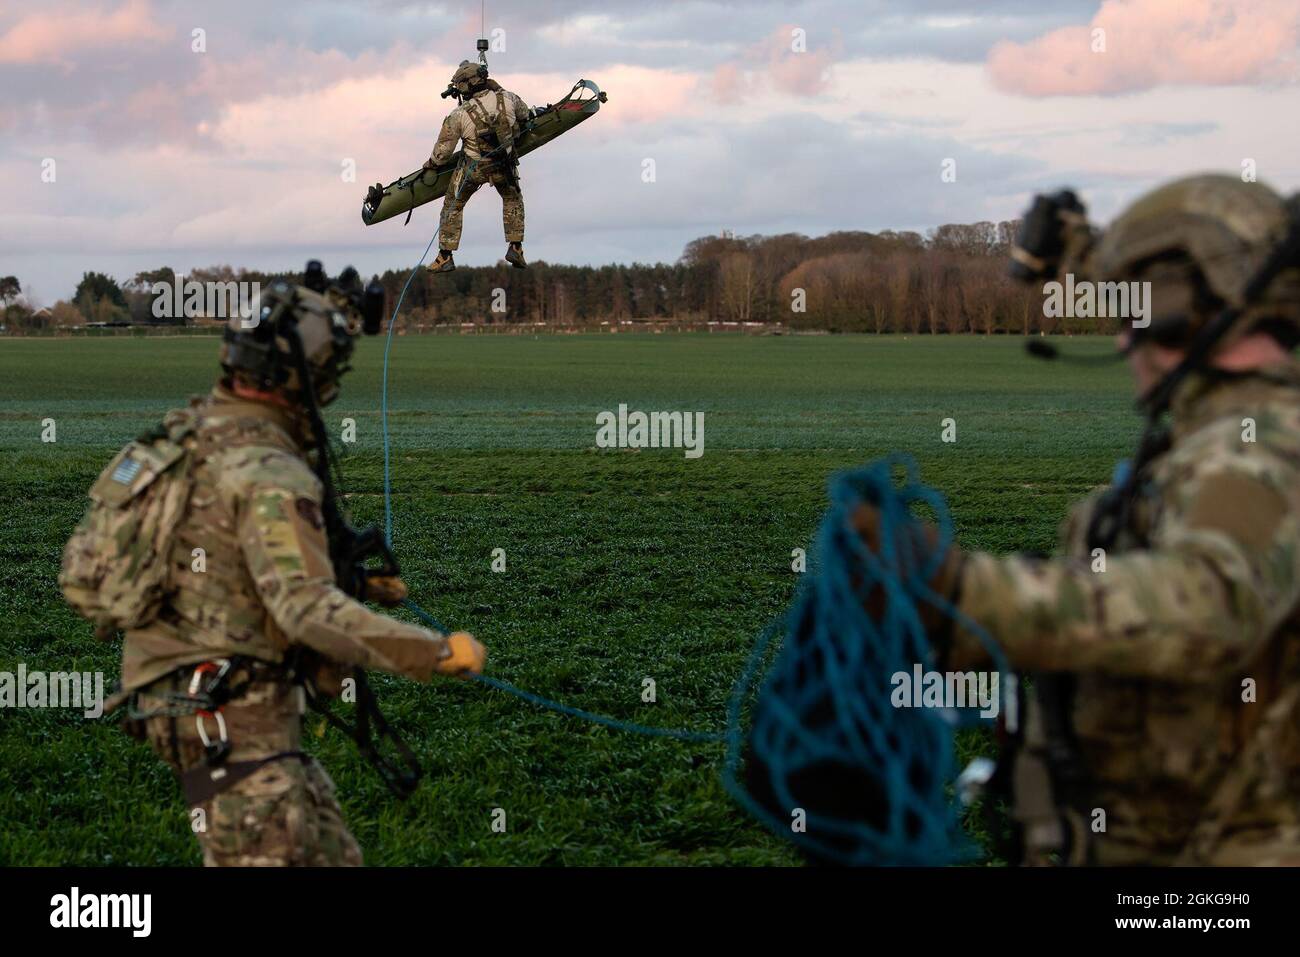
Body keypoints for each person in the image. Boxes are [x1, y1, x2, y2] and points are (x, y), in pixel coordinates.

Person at [863, 174, 1300, 865]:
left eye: (1133, 311)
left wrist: (963, 595)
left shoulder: (1267, 445)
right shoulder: (1206, 441)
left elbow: (1208, 602)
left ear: (1180, 308)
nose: (1125, 344)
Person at [61, 263, 486, 866]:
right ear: (303, 377)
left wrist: (356, 580)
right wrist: (437, 652)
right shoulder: (267, 469)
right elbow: (304, 608)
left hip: (192, 705)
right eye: (330, 372)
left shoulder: (188, 435)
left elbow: (219, 559)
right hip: (233, 718)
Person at [426, 60, 531, 272]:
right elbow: (525, 115)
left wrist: (431, 165)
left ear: (464, 86)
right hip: (504, 165)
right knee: (512, 199)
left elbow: (443, 153)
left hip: (473, 169)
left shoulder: (459, 114)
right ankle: (516, 247)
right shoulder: (508, 98)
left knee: (453, 205)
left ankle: (445, 256)